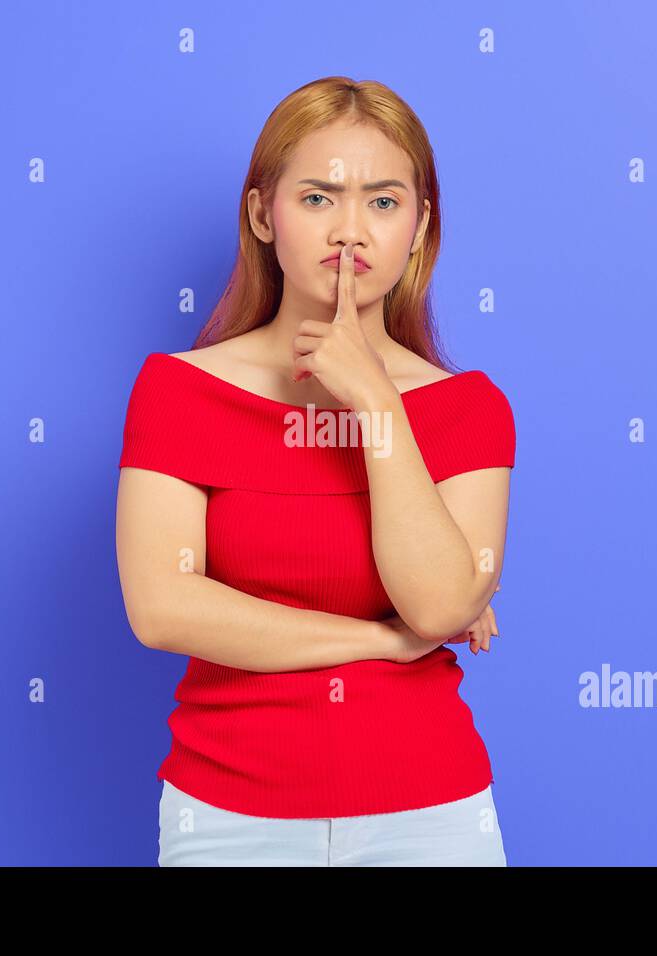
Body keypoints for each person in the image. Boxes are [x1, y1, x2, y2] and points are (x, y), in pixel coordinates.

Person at [115, 76, 515, 866]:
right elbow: (162, 609)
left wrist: (376, 401)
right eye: (319, 198)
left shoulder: (469, 411)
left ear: (420, 226)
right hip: (227, 817)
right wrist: (379, 640)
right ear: (264, 214)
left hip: (430, 816)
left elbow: (435, 604)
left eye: (384, 201)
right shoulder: (179, 391)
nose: (351, 232)